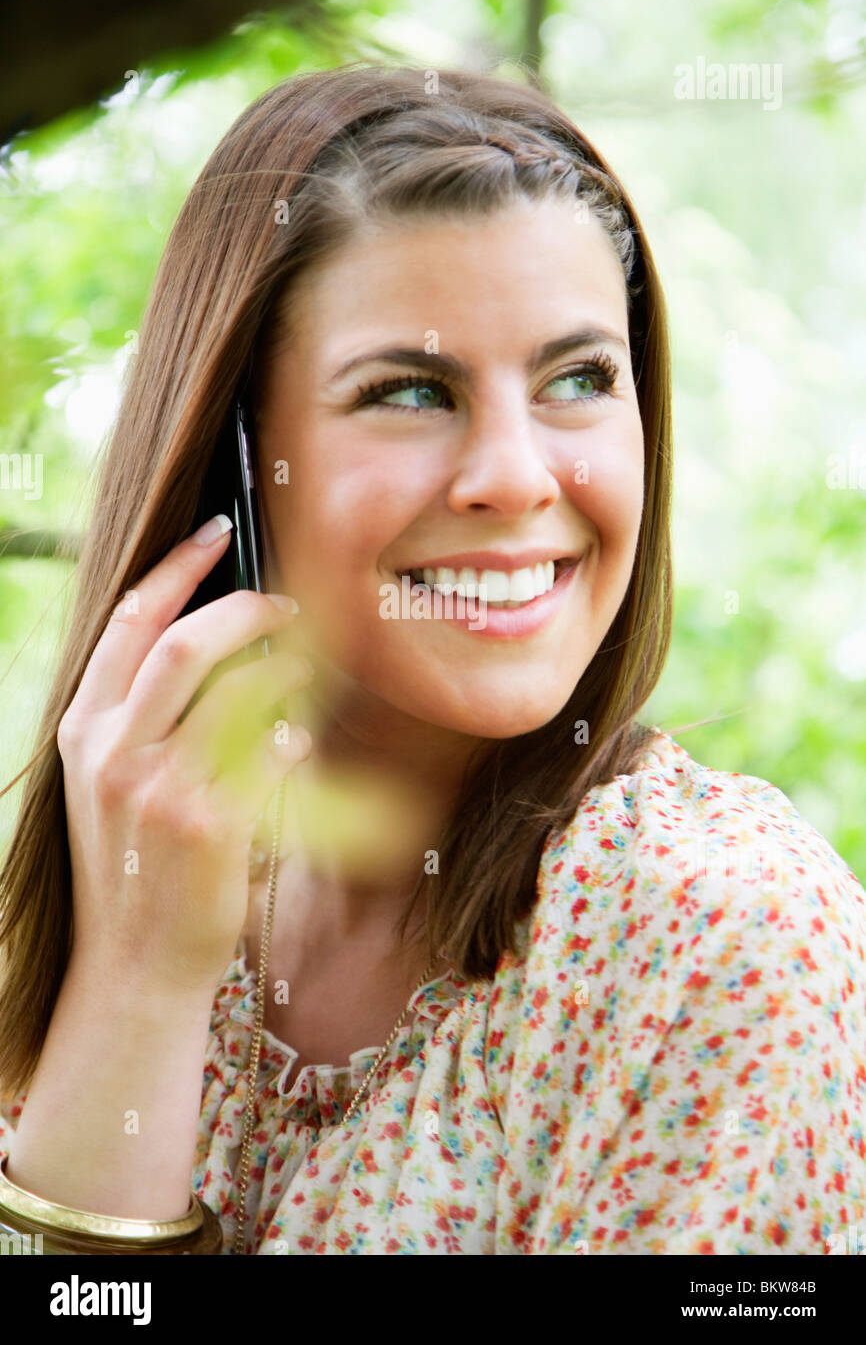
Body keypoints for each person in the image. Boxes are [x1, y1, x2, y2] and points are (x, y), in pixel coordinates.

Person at [0, 63, 863, 1256]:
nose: (514, 476)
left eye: (577, 380)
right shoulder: (158, 866)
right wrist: (140, 979)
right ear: (236, 467)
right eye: (411, 389)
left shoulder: (711, 937)